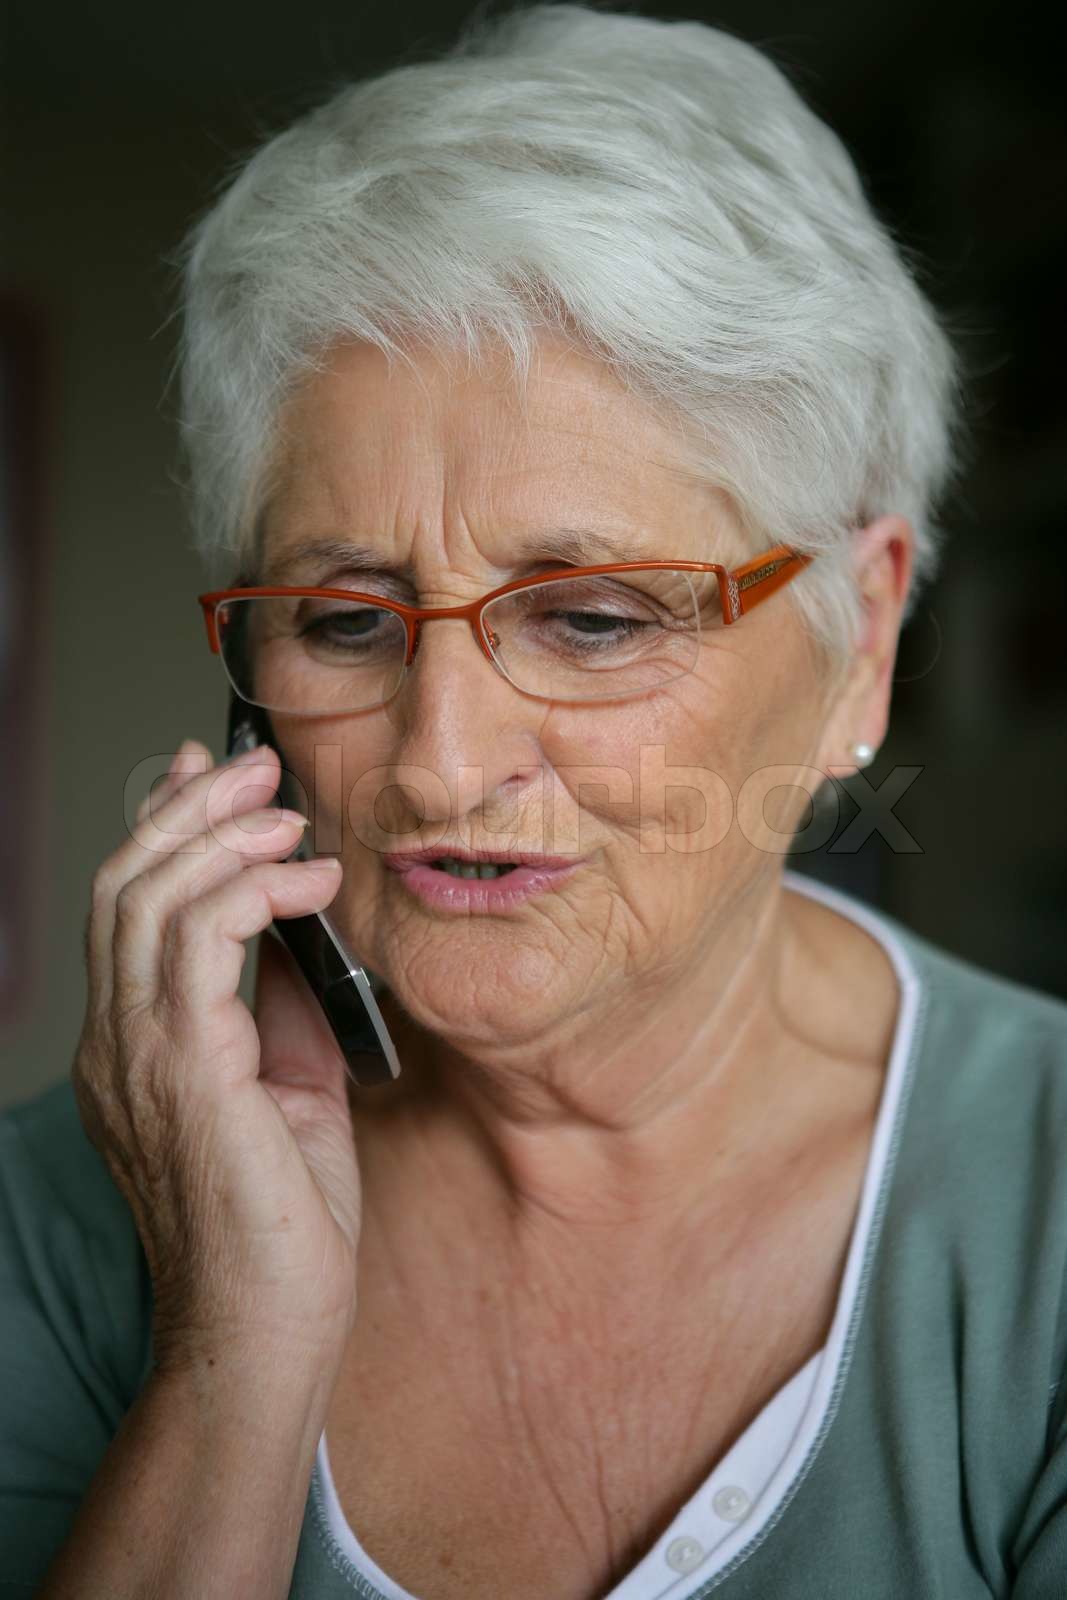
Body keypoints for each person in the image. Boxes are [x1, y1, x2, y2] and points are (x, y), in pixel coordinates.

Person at [3, 6, 1066, 1598]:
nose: (436, 763)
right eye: (348, 622)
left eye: (592, 621)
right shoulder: (61, 1217)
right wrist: (233, 1353)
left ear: (863, 645)